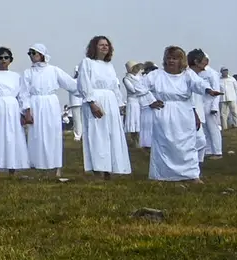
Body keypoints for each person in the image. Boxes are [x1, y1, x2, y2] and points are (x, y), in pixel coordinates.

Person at [143, 46, 203, 181]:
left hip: (184, 113)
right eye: (169, 58)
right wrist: (150, 101)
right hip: (163, 112)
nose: (171, 61)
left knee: (187, 145)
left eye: (175, 58)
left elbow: (200, 85)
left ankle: (192, 174)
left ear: (181, 60)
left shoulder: (188, 75)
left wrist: (209, 91)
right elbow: (139, 88)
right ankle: (161, 175)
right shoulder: (156, 75)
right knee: (163, 145)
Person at [73, 36, 130, 176]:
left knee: (112, 134)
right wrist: (92, 102)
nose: (104, 47)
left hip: (110, 101)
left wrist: (119, 104)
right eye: (101, 45)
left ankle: (110, 168)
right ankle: (98, 167)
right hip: (95, 99)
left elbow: (115, 87)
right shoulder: (87, 63)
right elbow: (84, 83)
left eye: (106, 45)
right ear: (94, 47)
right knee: (97, 134)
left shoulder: (109, 66)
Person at [18, 44, 71, 178]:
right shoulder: (28, 72)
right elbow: (24, 93)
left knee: (53, 133)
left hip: (50, 103)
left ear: (42, 54)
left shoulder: (54, 70)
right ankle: (37, 165)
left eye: (34, 53)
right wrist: (27, 111)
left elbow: (70, 84)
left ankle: (56, 166)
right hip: (35, 103)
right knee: (36, 134)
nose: (31, 56)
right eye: (29, 53)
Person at [0, 48, 28, 172]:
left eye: (6, 57)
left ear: (10, 60)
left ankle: (12, 166)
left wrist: (22, 112)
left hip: (12, 108)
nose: (3, 60)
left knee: (13, 136)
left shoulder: (16, 76)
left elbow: (21, 95)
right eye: (0, 58)